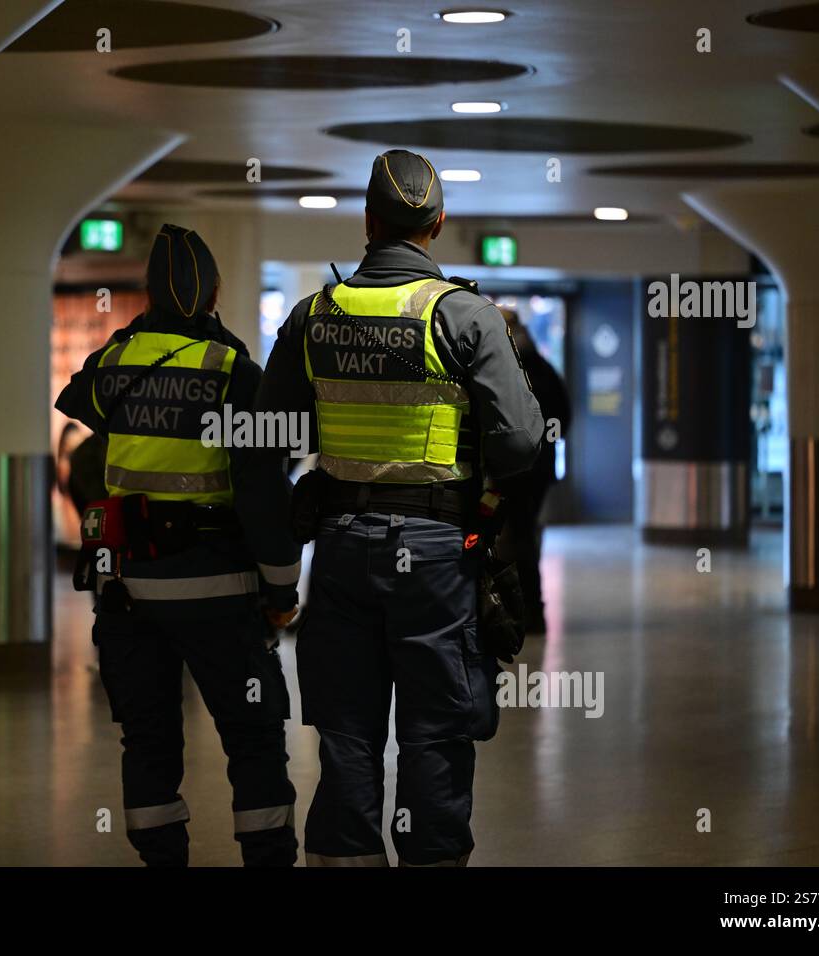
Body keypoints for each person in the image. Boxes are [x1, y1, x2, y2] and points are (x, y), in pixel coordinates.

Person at [255, 150, 543, 866]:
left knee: (347, 733)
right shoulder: (467, 317)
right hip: (439, 555)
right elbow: (520, 446)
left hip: (342, 547)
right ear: (437, 223)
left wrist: (277, 576)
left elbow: (270, 438)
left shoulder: (313, 316)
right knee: (435, 731)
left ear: (367, 221)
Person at [55, 224, 301, 867]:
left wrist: (131, 339)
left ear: (148, 291)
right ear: (214, 290)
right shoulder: (234, 373)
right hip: (218, 592)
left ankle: (163, 859)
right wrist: (281, 586)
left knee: (148, 738)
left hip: (129, 590)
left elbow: (77, 399)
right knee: (252, 737)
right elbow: (262, 491)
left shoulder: (115, 362)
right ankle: (267, 857)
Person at [497, 309, 571, 634]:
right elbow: (563, 419)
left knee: (512, 537)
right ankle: (531, 609)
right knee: (525, 535)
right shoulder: (543, 368)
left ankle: (517, 610)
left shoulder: (500, 369)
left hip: (508, 471)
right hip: (537, 470)